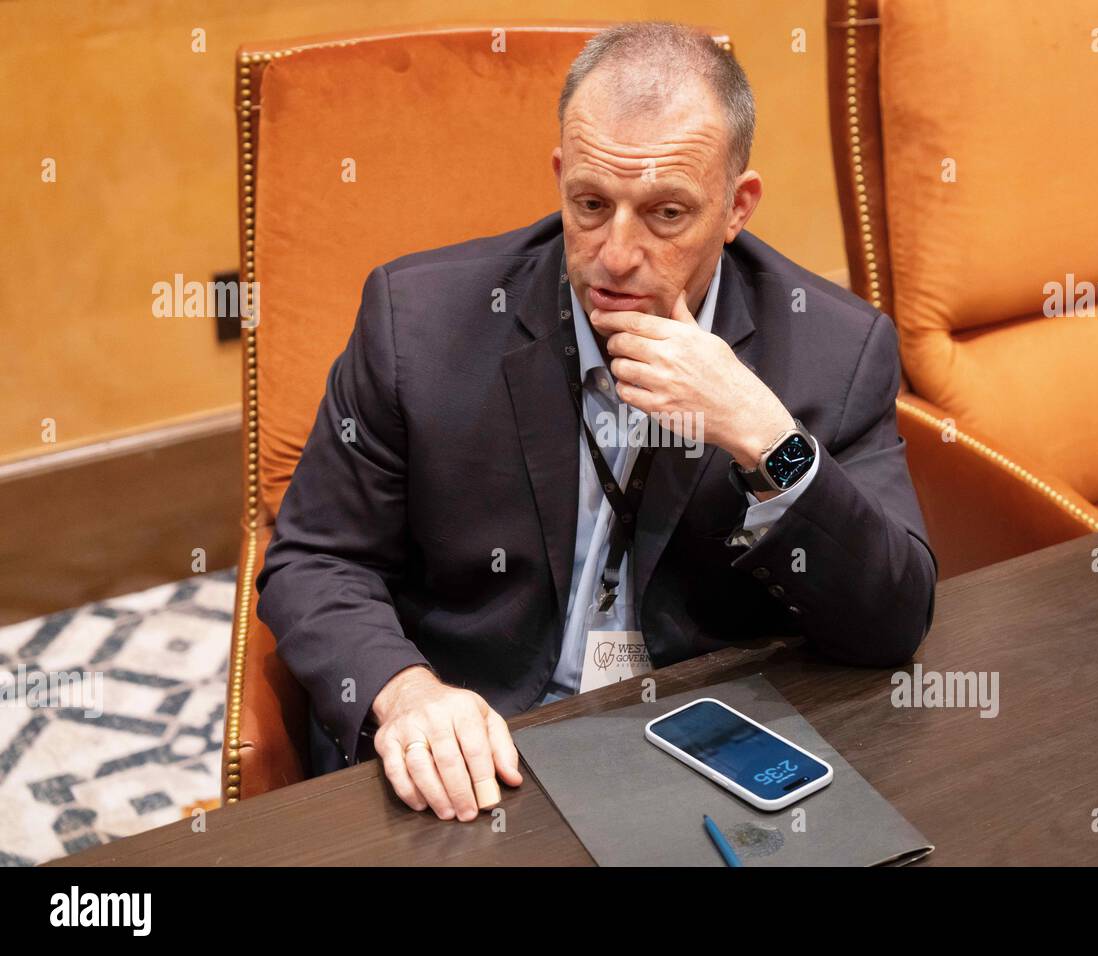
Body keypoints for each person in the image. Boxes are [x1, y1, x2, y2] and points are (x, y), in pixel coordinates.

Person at [256, 21, 936, 824]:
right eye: (591, 204)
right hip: (482, 754)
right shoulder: (419, 324)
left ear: (736, 206)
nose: (616, 254)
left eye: (666, 214)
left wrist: (769, 440)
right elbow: (314, 558)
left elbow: (891, 623)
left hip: (704, 756)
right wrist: (407, 696)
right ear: (560, 176)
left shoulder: (833, 349)